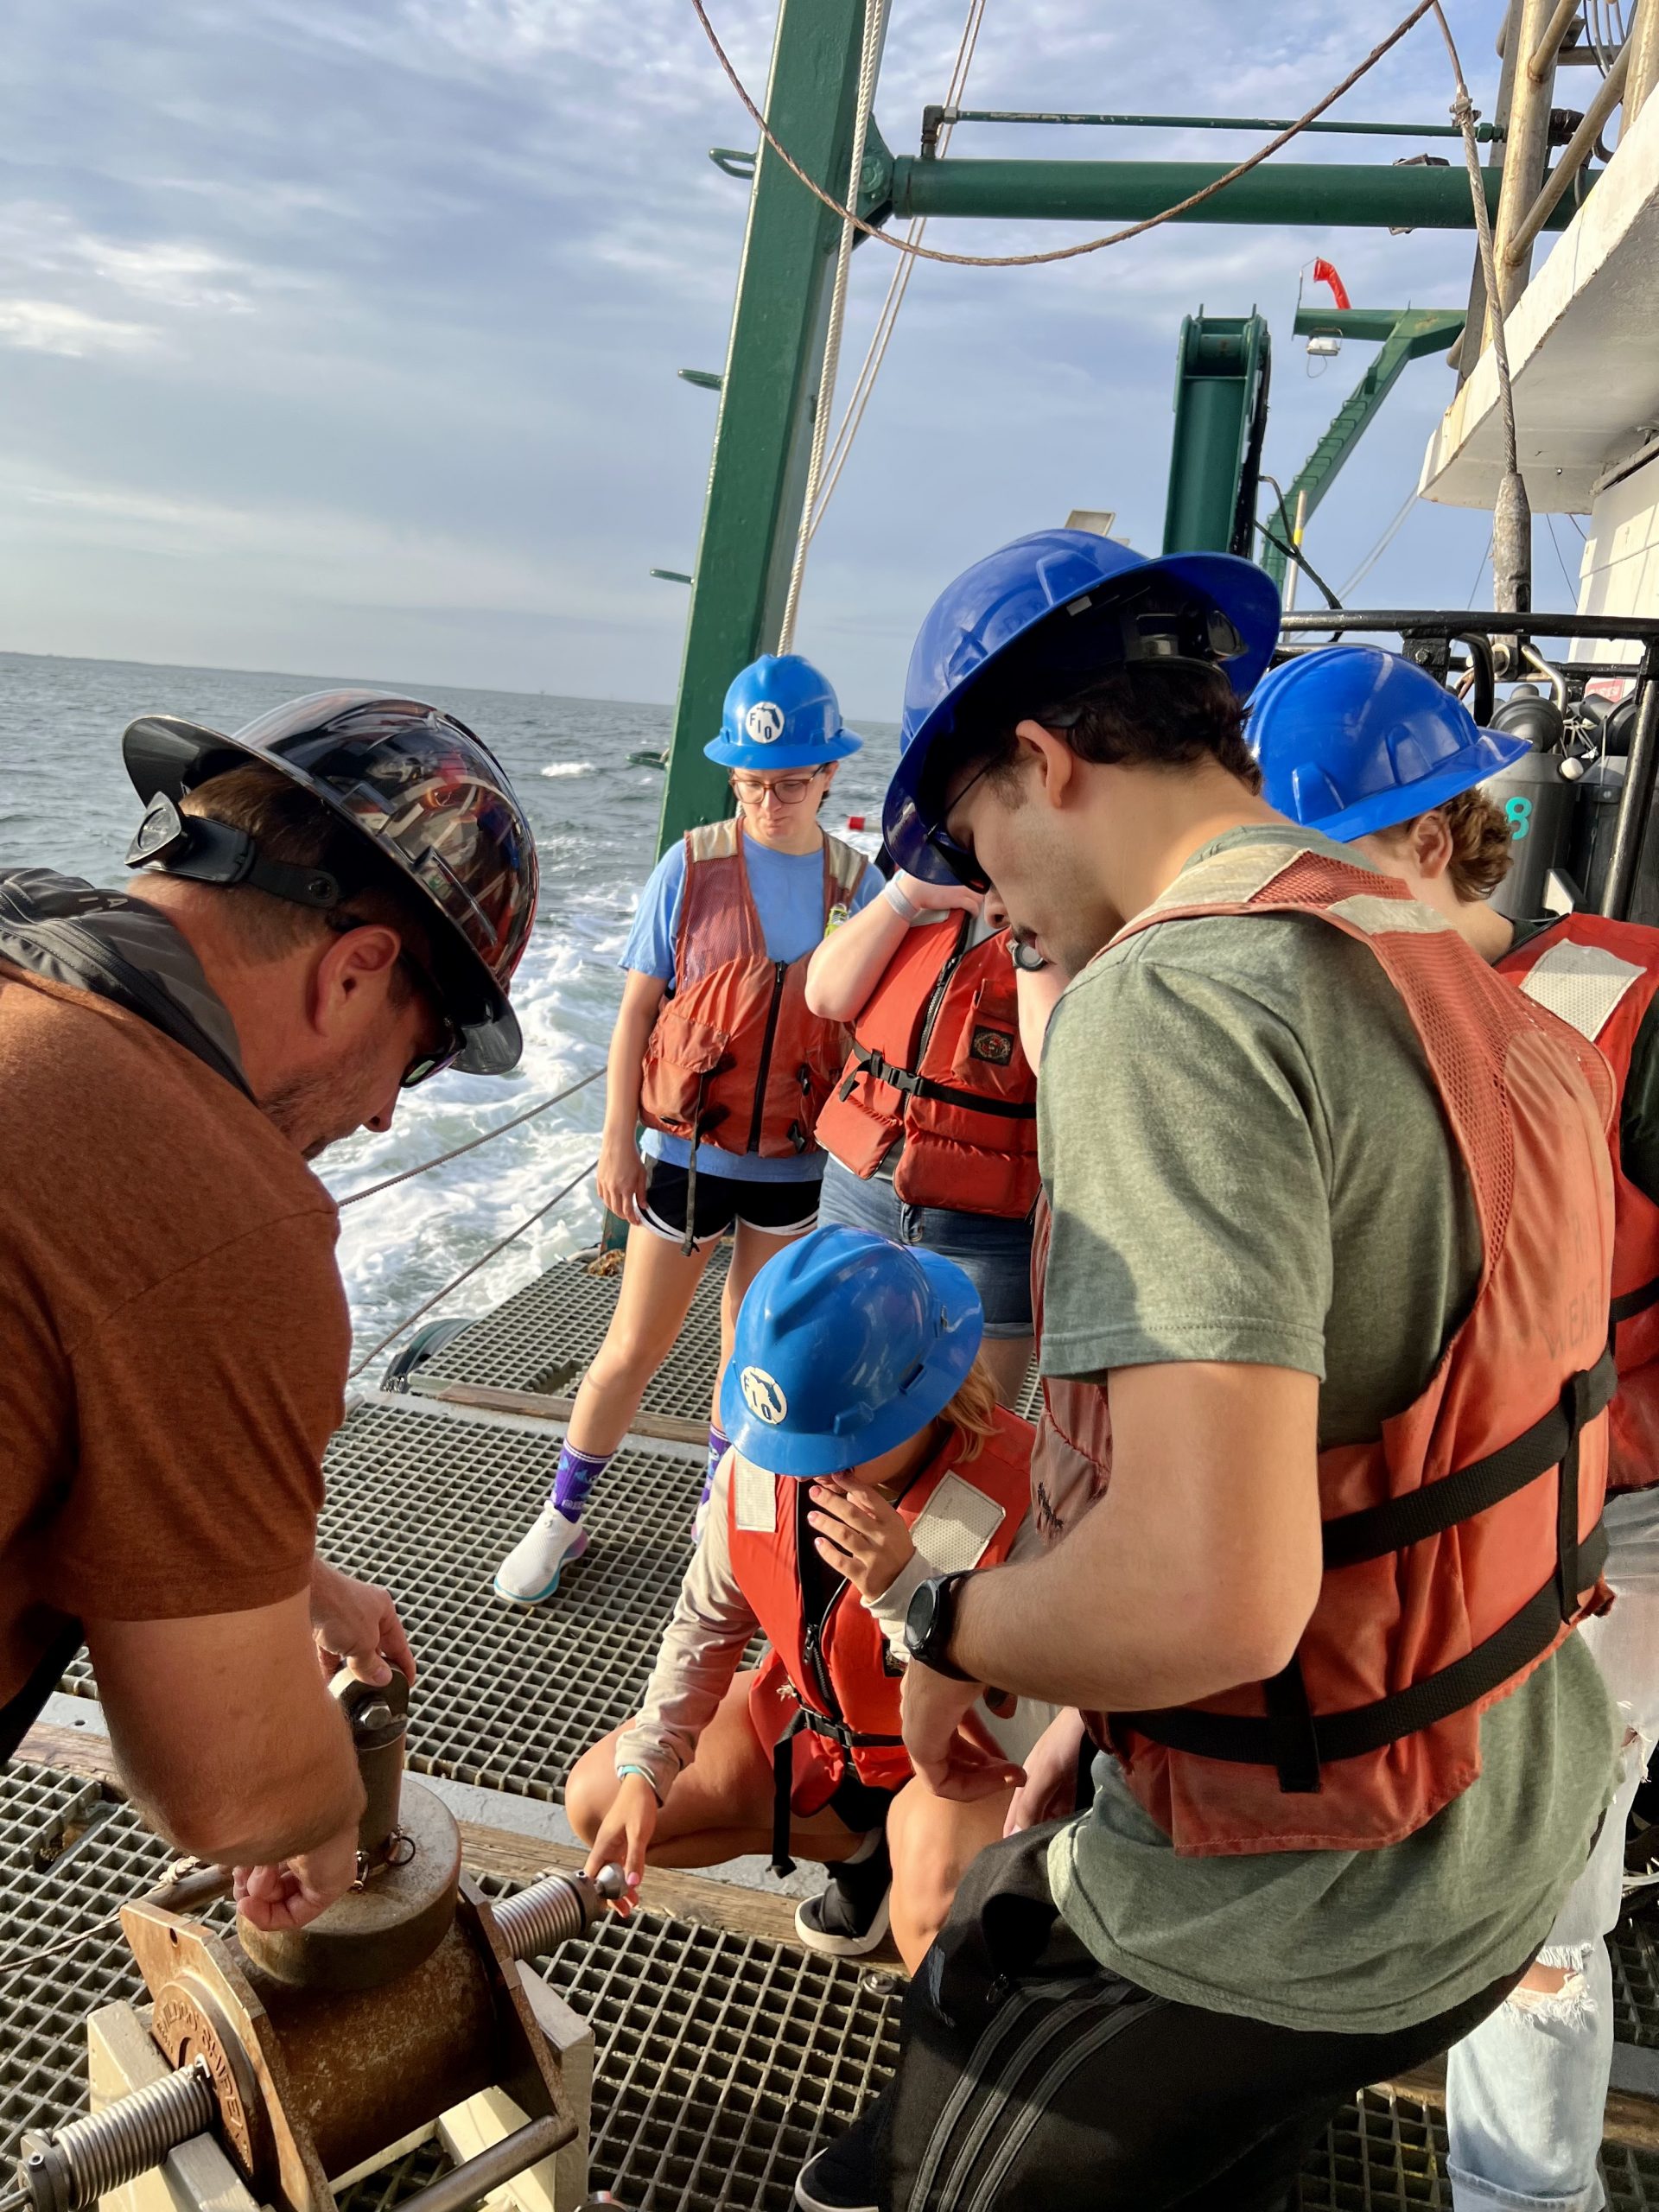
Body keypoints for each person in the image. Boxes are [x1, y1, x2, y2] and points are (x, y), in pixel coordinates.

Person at [794, 528, 1623, 2212]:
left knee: (913, 2165)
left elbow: (1209, 1596)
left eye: (979, 847)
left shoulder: (1167, 999)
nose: (1000, 905)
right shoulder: (1450, 976)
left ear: (1041, 760)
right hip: (1511, 1807)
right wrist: (1097, 1702)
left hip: (1323, 1893)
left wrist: (946, 1624)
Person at [0, 689, 538, 1934]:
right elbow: (229, 1785)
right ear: (355, 972)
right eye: (416, 1060)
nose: (389, 1118)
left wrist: (280, 1573)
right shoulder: (223, 1210)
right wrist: (325, 1820)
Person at [1251, 640, 1659, 2212]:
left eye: (1308, 867)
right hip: (1401, 1516)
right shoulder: (1300, 1025)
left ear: (1431, 841)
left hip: (1604, 1519)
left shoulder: (1617, 1005)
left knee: (1548, 1891)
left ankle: (1521, 2197)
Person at [495, 654, 879, 1605]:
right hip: (684, 1159)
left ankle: (715, 1514)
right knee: (632, 1344)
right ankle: (562, 1515)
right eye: (753, 783)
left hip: (792, 1164)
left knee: (745, 1347)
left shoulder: (855, 883)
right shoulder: (691, 865)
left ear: (829, 774)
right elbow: (635, 1013)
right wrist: (616, 1138)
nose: (770, 802)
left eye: (791, 783)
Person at [567, 1225, 1046, 1967]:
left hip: (960, 1769)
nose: (804, 1467)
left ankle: (917, 1888)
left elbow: (1041, 1726)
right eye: (788, 1441)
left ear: (924, 1396)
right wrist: (647, 1768)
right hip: (820, 1740)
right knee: (602, 1797)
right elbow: (704, 1624)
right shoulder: (764, 1459)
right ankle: (861, 1853)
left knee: (945, 1920)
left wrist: (905, 1591)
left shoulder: (1031, 1496)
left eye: (832, 1443)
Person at [805, 859, 1051, 1406]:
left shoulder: (1080, 890)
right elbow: (825, 996)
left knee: (975, 1429)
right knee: (834, 1394)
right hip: (860, 1187)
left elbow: (1060, 1058)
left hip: (991, 1222)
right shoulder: (921, 865)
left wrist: (1034, 929)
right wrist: (904, 893)